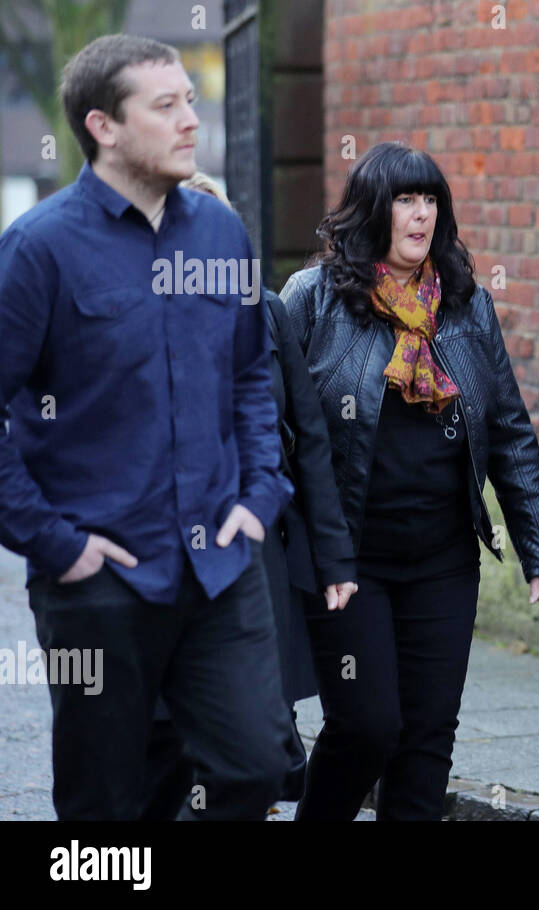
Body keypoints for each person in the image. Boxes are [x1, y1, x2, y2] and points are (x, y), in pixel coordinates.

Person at [0, 35, 294, 820]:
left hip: (219, 566)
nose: (190, 120)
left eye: (189, 102)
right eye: (165, 106)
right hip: (99, 579)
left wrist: (260, 491)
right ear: (104, 125)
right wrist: (55, 543)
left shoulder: (221, 236)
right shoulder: (39, 249)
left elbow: (248, 378)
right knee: (106, 801)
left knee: (258, 766)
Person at [280, 141, 539, 821]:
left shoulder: (467, 306)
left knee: (427, 737)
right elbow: (276, 424)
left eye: (430, 200)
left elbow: (509, 432)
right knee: (367, 725)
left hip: (442, 557)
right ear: (371, 211)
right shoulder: (315, 300)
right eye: (405, 201)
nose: (420, 215)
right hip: (348, 557)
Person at [138, 173, 360, 818]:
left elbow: (310, 441)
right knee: (169, 744)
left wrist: (333, 559)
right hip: (160, 559)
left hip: (255, 551)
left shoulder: (265, 311)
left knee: (257, 746)